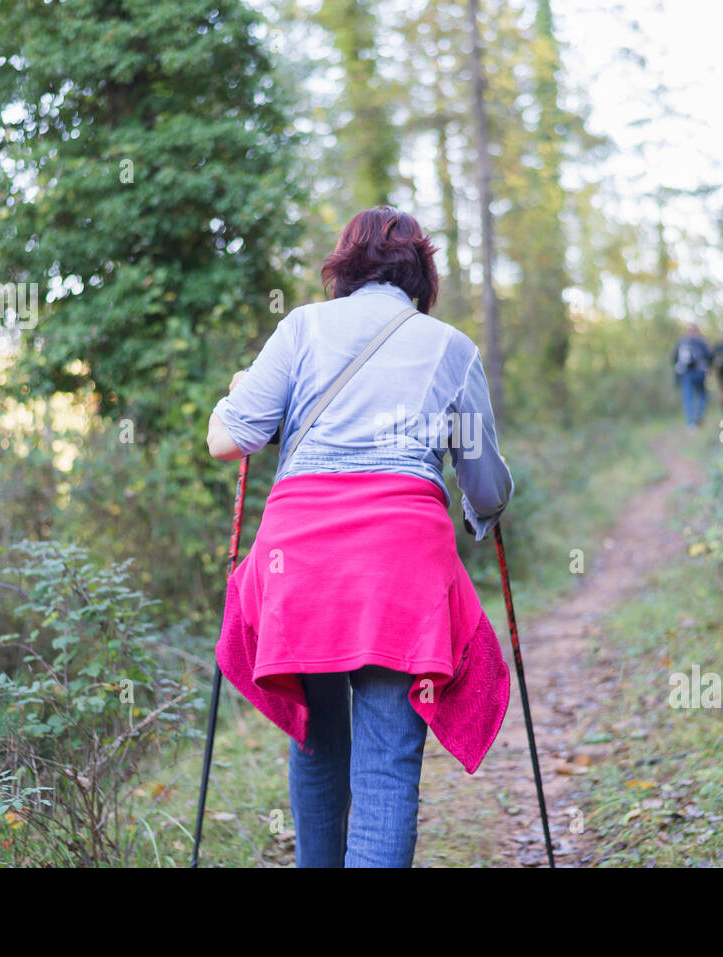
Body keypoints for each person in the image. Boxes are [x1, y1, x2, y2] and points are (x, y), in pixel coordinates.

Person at [204, 206, 514, 868]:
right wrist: (482, 509)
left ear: (344, 264)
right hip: (402, 570)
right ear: (420, 274)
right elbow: (485, 486)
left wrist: (230, 398)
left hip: (301, 562)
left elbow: (232, 439)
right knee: (388, 770)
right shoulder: (451, 347)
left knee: (317, 739)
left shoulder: (302, 328)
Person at [671, 322, 713, 428]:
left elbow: (673, 358)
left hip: (685, 374)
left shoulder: (681, 342)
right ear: (697, 331)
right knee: (702, 395)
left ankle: (690, 422)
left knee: (687, 397)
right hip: (699, 372)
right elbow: (710, 356)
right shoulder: (701, 342)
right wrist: (709, 368)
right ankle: (699, 415)